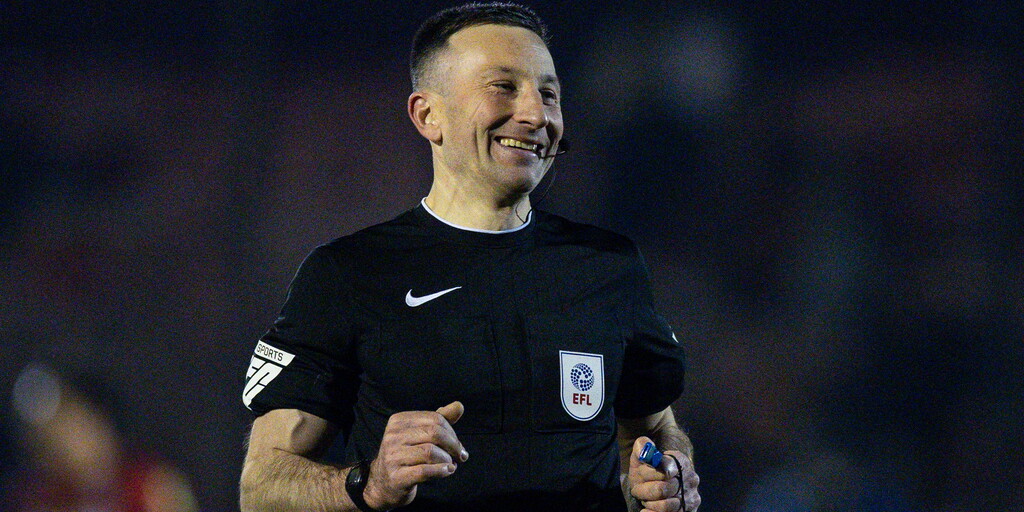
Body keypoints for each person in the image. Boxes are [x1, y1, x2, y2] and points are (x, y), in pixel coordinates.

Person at [239, 3, 700, 511]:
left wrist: (669, 474)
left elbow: (656, 429)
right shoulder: (347, 274)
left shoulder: (609, 266)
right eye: (503, 87)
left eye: (549, 94)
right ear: (427, 114)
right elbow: (262, 487)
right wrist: (368, 483)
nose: (534, 114)